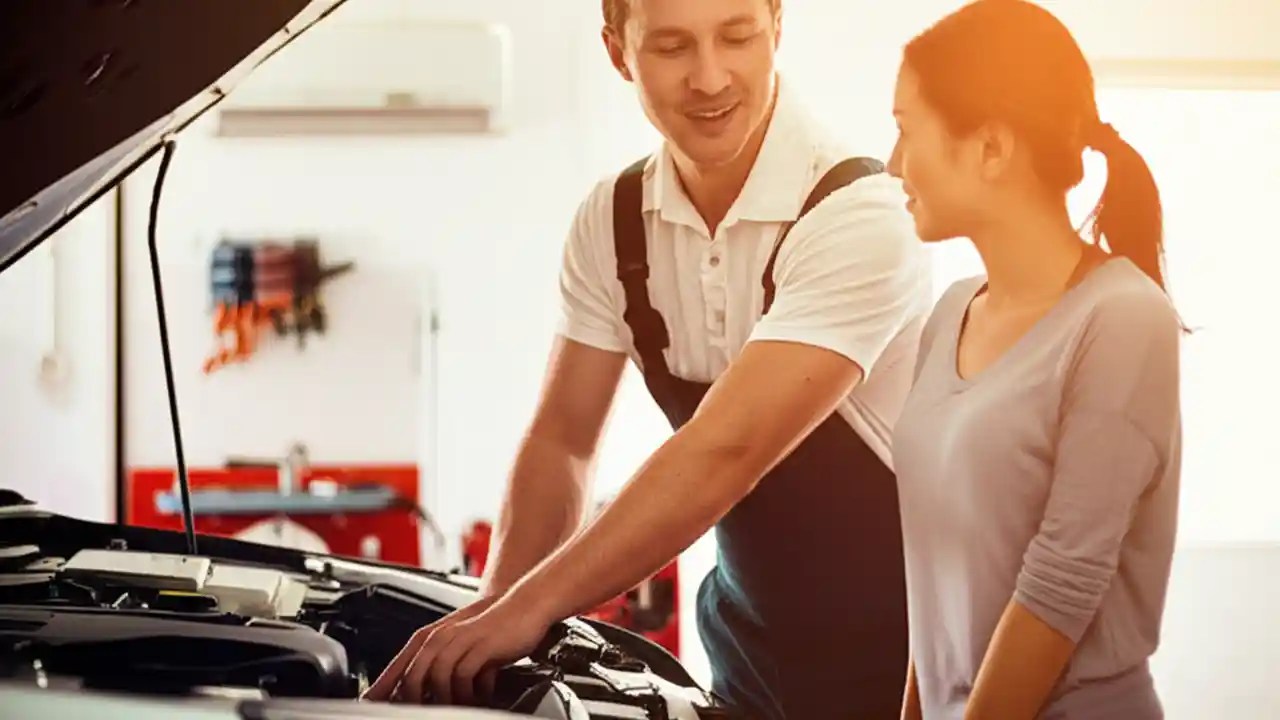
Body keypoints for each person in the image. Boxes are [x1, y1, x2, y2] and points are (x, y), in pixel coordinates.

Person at [362, 0, 932, 717]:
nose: (710, 77)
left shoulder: (860, 216)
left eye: (737, 37)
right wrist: (490, 618)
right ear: (617, 52)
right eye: (671, 47)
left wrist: (528, 610)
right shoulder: (613, 222)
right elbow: (563, 440)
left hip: (903, 670)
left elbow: (726, 450)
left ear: (777, 28)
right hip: (746, 667)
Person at [885, 1, 1183, 718]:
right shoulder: (951, 311)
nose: (893, 164)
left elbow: (1059, 587)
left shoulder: (1123, 318)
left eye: (906, 130)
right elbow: (933, 582)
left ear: (990, 148)